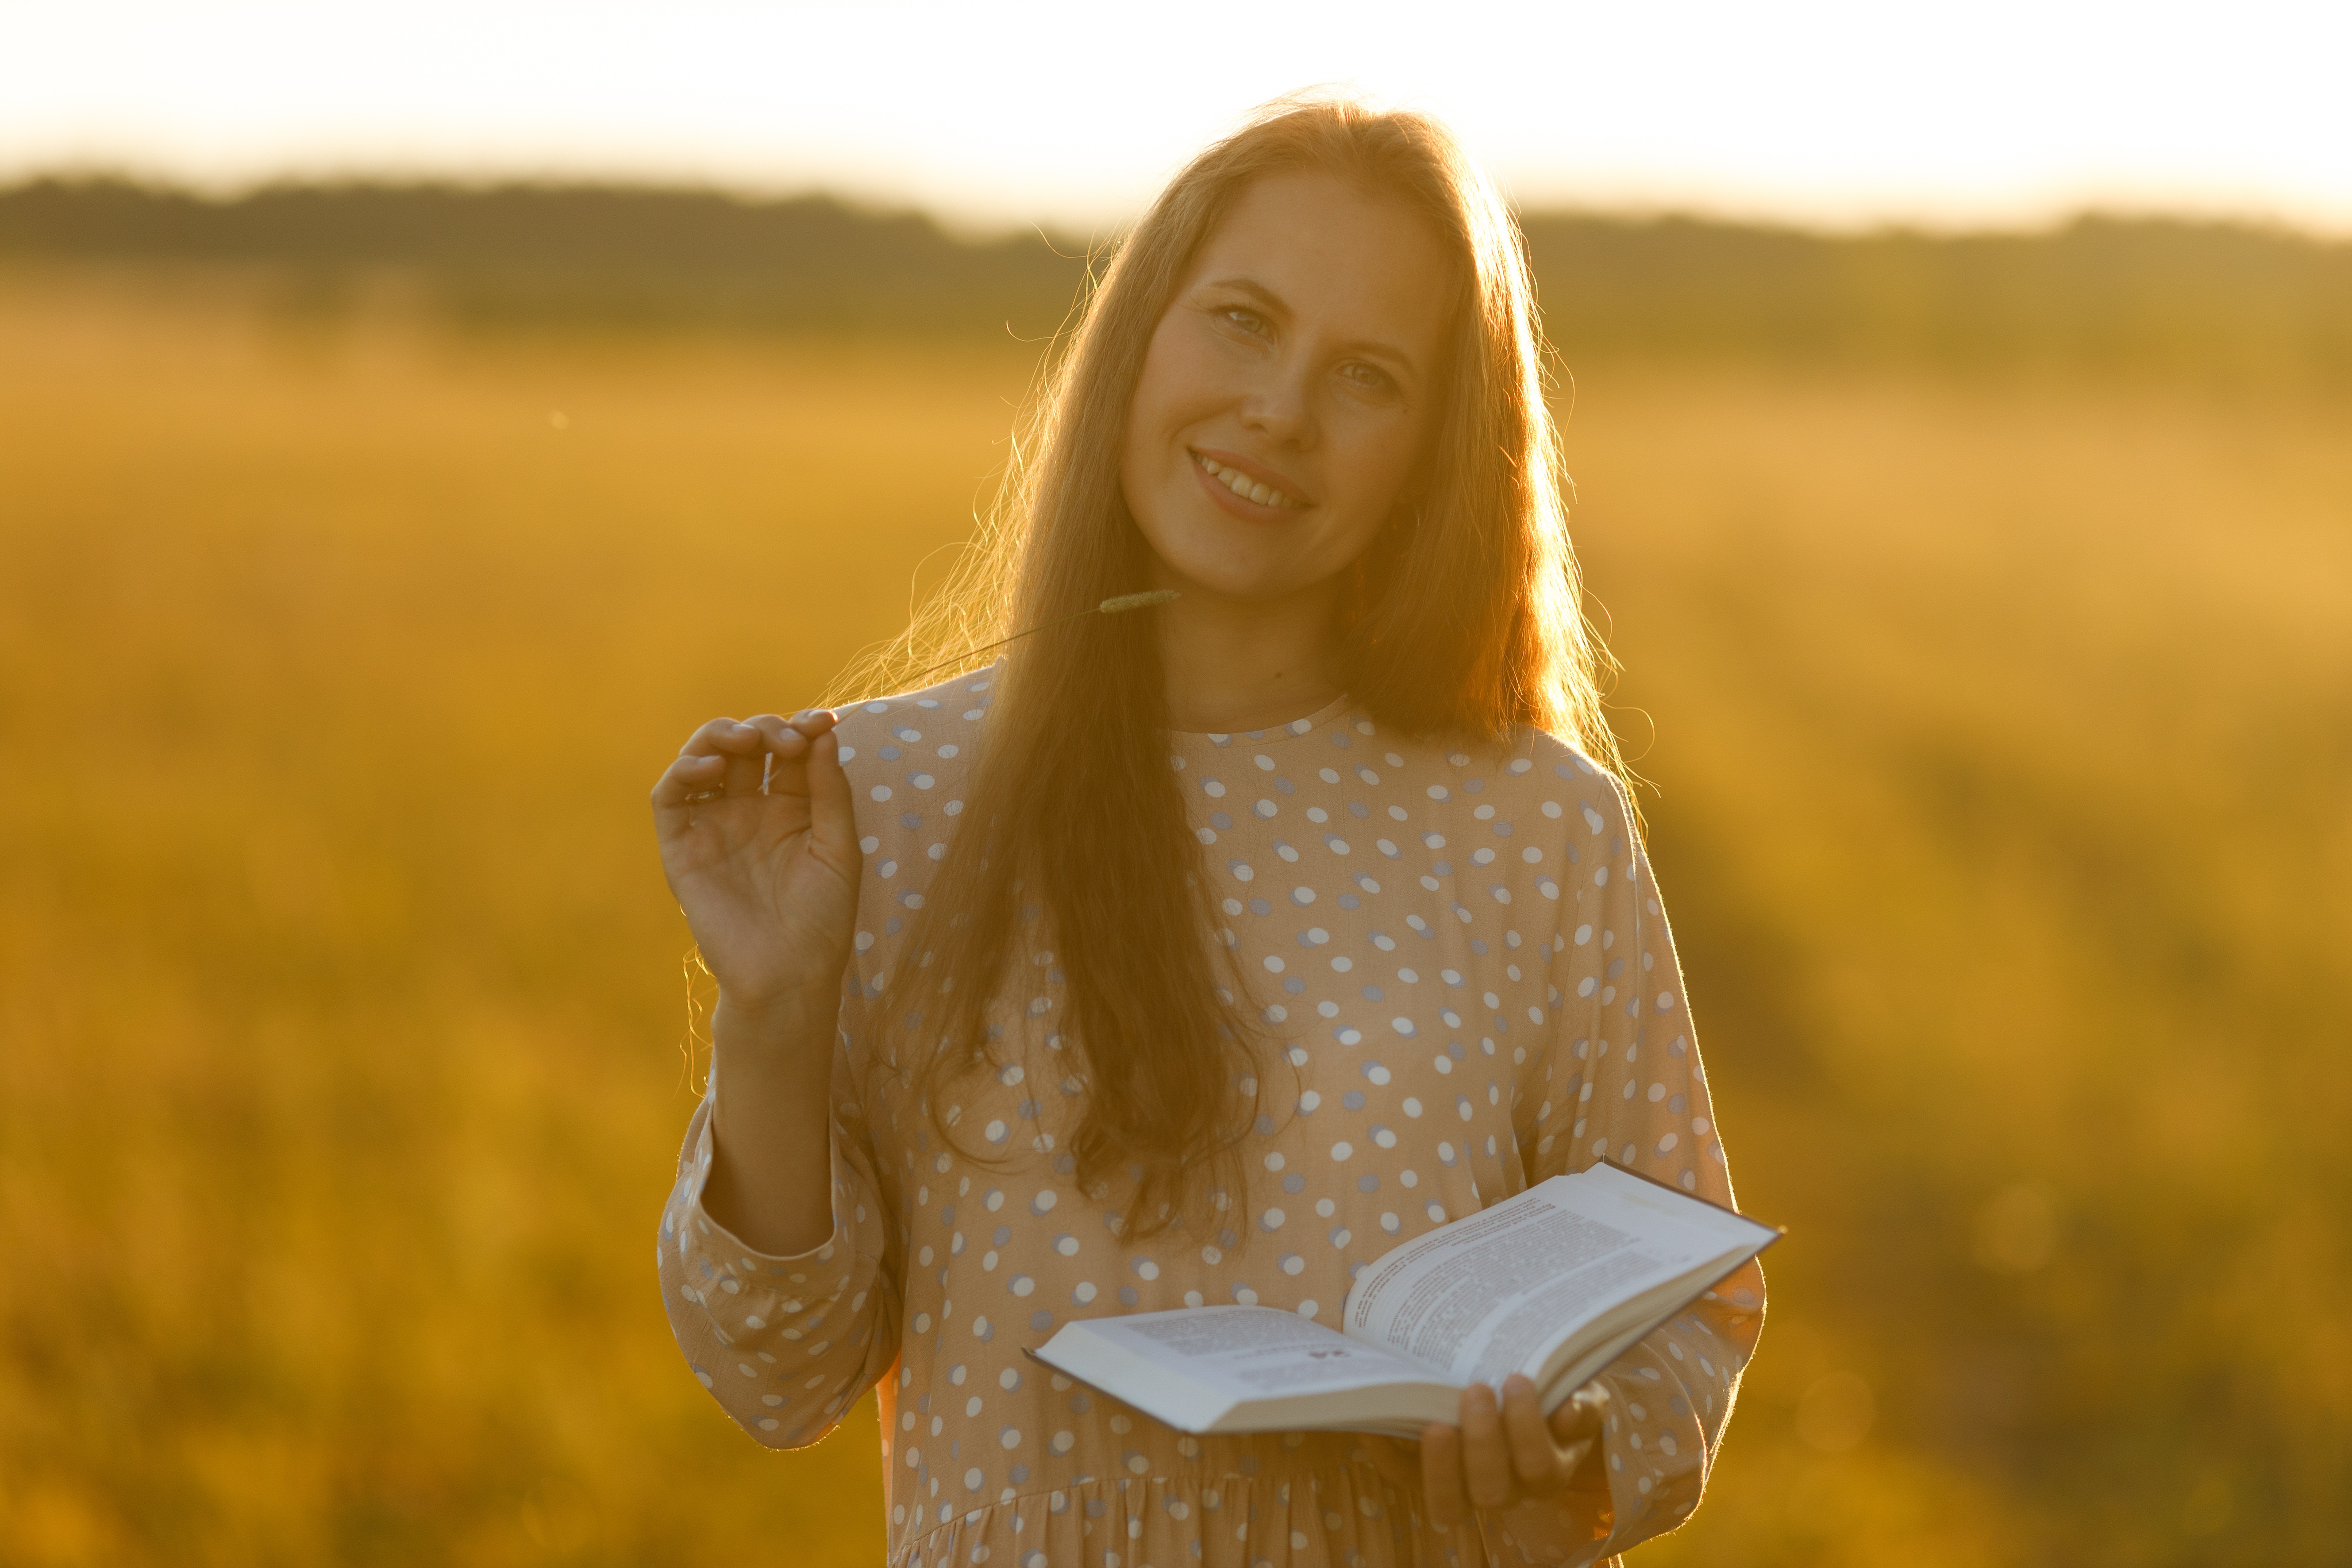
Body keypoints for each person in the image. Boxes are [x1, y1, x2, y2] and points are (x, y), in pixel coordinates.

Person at [650, 95, 1763, 1568]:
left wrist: (1568, 1456)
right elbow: (777, 1371)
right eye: (1242, 321)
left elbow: (1688, 1305)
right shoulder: (883, 800)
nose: (1279, 411)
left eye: (1365, 376)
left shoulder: (1532, 828)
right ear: (1139, 336)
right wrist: (774, 1015)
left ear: (1438, 449)